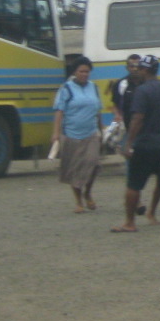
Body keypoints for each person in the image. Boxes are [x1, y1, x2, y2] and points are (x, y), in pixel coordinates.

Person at [114, 55, 160, 233]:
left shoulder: (142, 91)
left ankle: (130, 223)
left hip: (145, 143)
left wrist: (129, 143)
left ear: (145, 70)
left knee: (134, 185)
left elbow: (138, 118)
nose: (137, 71)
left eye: (140, 69)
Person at [51, 56, 104, 213]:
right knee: (75, 168)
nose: (84, 74)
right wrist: (56, 133)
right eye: (81, 71)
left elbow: (98, 109)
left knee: (93, 163)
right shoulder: (66, 89)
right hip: (72, 134)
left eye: (87, 72)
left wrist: (102, 128)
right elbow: (59, 111)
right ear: (75, 72)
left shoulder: (93, 88)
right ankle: (79, 200)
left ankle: (88, 192)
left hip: (91, 133)